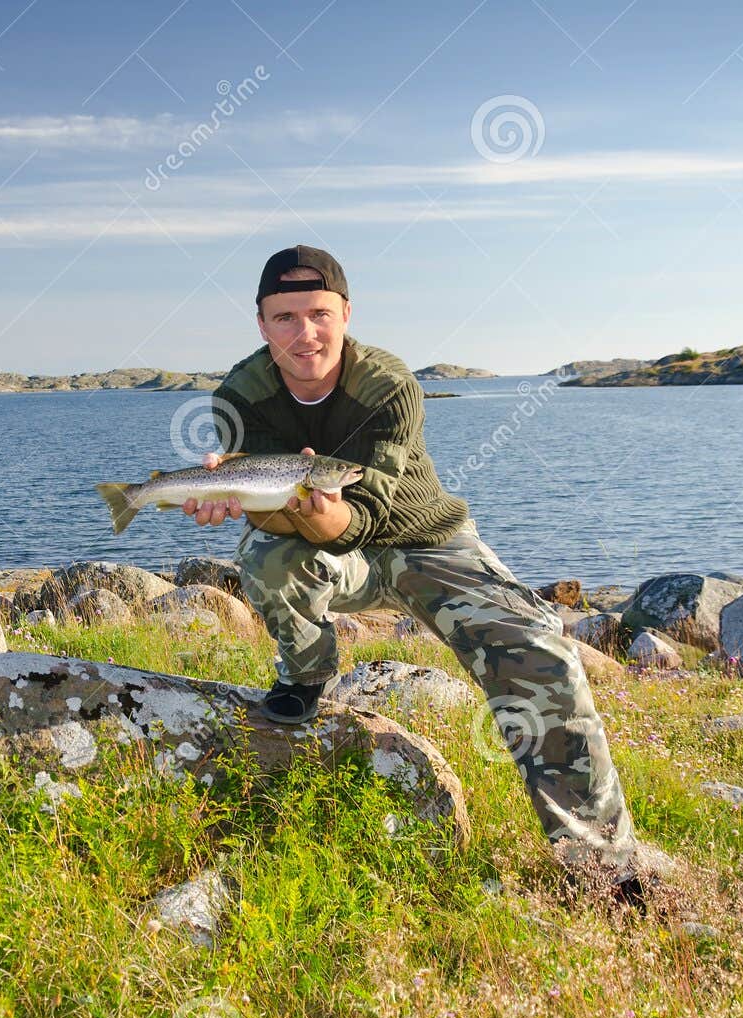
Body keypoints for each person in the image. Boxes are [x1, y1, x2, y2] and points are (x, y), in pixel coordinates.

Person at [184, 244, 649, 898]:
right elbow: (272, 517)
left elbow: (367, 514)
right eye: (284, 317)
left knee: (542, 657)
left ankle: (603, 868)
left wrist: (315, 514)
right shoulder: (242, 393)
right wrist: (242, 506)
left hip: (430, 542)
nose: (304, 333)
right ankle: (307, 675)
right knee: (264, 557)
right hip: (330, 549)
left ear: (346, 312)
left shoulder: (389, 384)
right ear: (261, 324)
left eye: (318, 313)